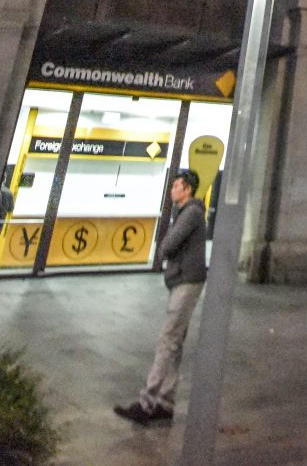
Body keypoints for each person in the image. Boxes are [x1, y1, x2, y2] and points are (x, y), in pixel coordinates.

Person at [116, 169, 208, 424]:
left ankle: (146, 403)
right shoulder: (187, 212)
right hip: (183, 280)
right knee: (175, 342)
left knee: (167, 340)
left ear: (187, 189)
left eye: (177, 185)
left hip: (186, 281)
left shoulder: (190, 213)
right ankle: (166, 402)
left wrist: (161, 248)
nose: (172, 190)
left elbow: (169, 244)